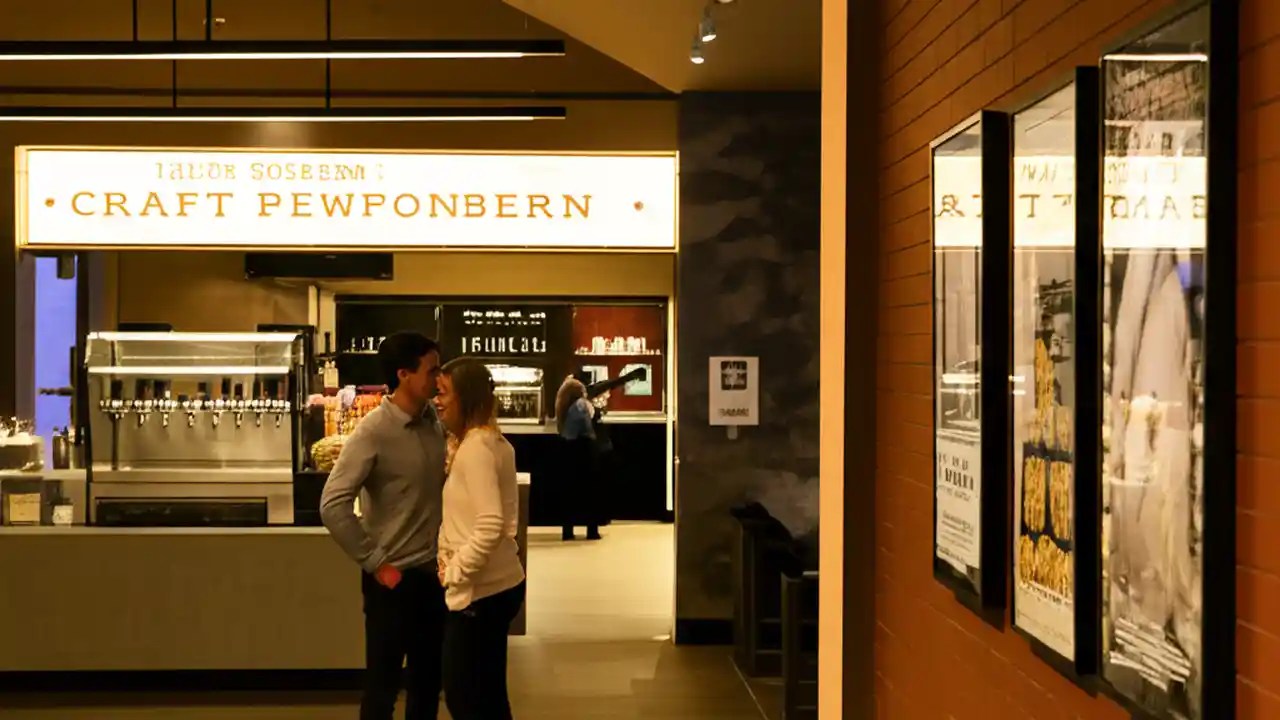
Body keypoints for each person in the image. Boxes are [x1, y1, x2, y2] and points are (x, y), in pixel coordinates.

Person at [320, 333, 446, 720]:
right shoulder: (373, 431)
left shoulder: (433, 421)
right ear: (404, 374)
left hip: (434, 577)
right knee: (382, 688)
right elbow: (332, 504)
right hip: (393, 581)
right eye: (432, 370)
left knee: (427, 684)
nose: (439, 380)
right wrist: (376, 563)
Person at [434, 358, 526, 720]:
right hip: (499, 586)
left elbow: (491, 523)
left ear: (466, 398)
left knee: (464, 697)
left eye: (443, 393)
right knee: (488, 695)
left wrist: (455, 571)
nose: (436, 401)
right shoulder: (493, 442)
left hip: (480, 592)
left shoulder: (475, 449)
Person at [554, 375, 602, 541]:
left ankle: (568, 531)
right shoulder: (581, 405)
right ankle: (592, 530)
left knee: (569, 493)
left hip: (568, 450)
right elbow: (588, 428)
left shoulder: (564, 407)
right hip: (583, 450)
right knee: (591, 492)